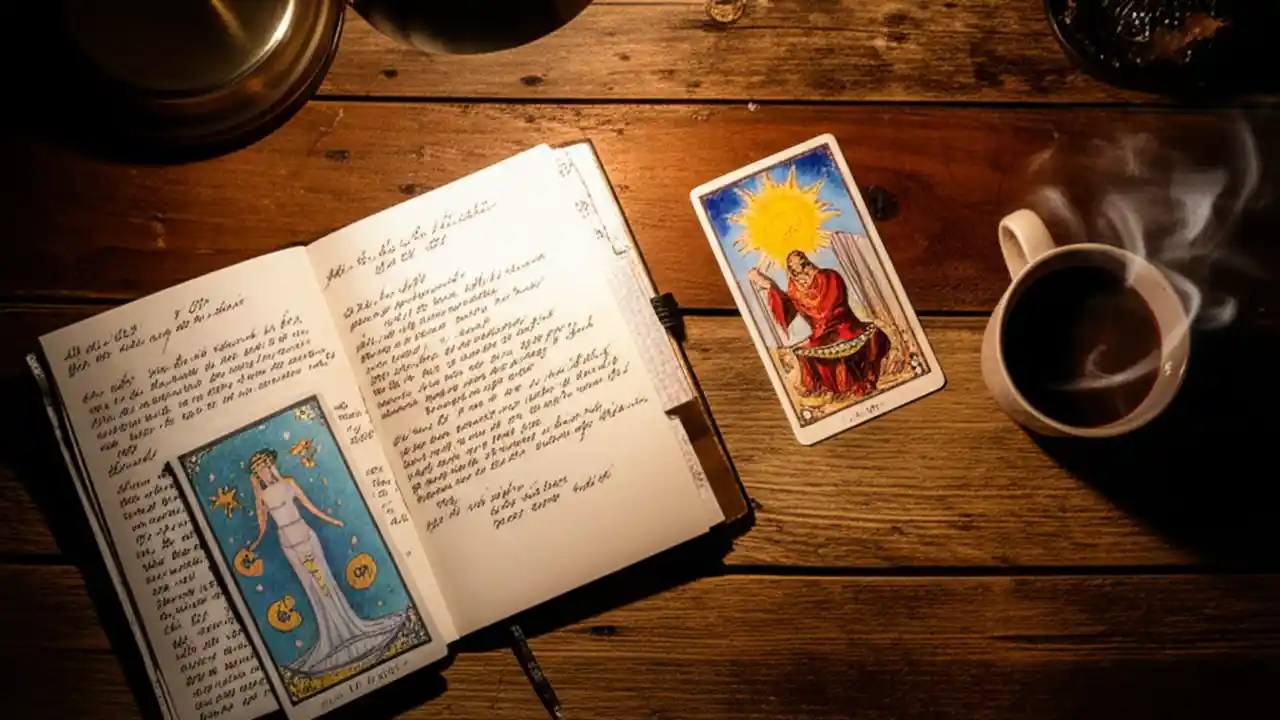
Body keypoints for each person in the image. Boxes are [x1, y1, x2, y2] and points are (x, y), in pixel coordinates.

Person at [247, 449, 405, 677]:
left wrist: (332, 520)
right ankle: (329, 633)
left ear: (271, 466)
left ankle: (348, 625)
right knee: (311, 587)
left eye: (265, 467)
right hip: (288, 543)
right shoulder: (261, 496)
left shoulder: (289, 483)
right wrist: (254, 545)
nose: (263, 473)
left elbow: (310, 507)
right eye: (258, 471)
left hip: (305, 535)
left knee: (326, 580)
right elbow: (262, 525)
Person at [748, 250, 890, 398]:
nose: (800, 273)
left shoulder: (830, 277)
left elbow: (828, 311)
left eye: (801, 265)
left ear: (807, 263)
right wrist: (769, 285)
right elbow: (788, 307)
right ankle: (826, 390)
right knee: (803, 354)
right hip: (820, 336)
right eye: (793, 268)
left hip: (846, 328)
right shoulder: (794, 288)